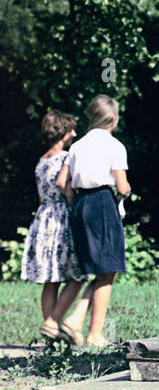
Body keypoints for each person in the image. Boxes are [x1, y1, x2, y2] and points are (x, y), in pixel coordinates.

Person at [56, 94, 130, 348]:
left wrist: (74, 203)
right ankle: (94, 334)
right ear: (114, 119)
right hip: (102, 203)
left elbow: (63, 182)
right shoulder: (115, 146)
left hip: (81, 204)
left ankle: (76, 319)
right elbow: (122, 186)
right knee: (109, 268)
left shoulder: (77, 146)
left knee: (98, 269)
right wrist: (127, 191)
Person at [21, 110, 89, 340]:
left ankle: (50, 333)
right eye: (71, 129)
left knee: (50, 280)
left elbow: (41, 197)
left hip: (43, 218)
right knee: (77, 274)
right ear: (62, 132)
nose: (74, 134)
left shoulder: (41, 162)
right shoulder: (66, 158)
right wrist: (73, 209)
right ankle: (52, 323)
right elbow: (65, 188)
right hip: (61, 218)